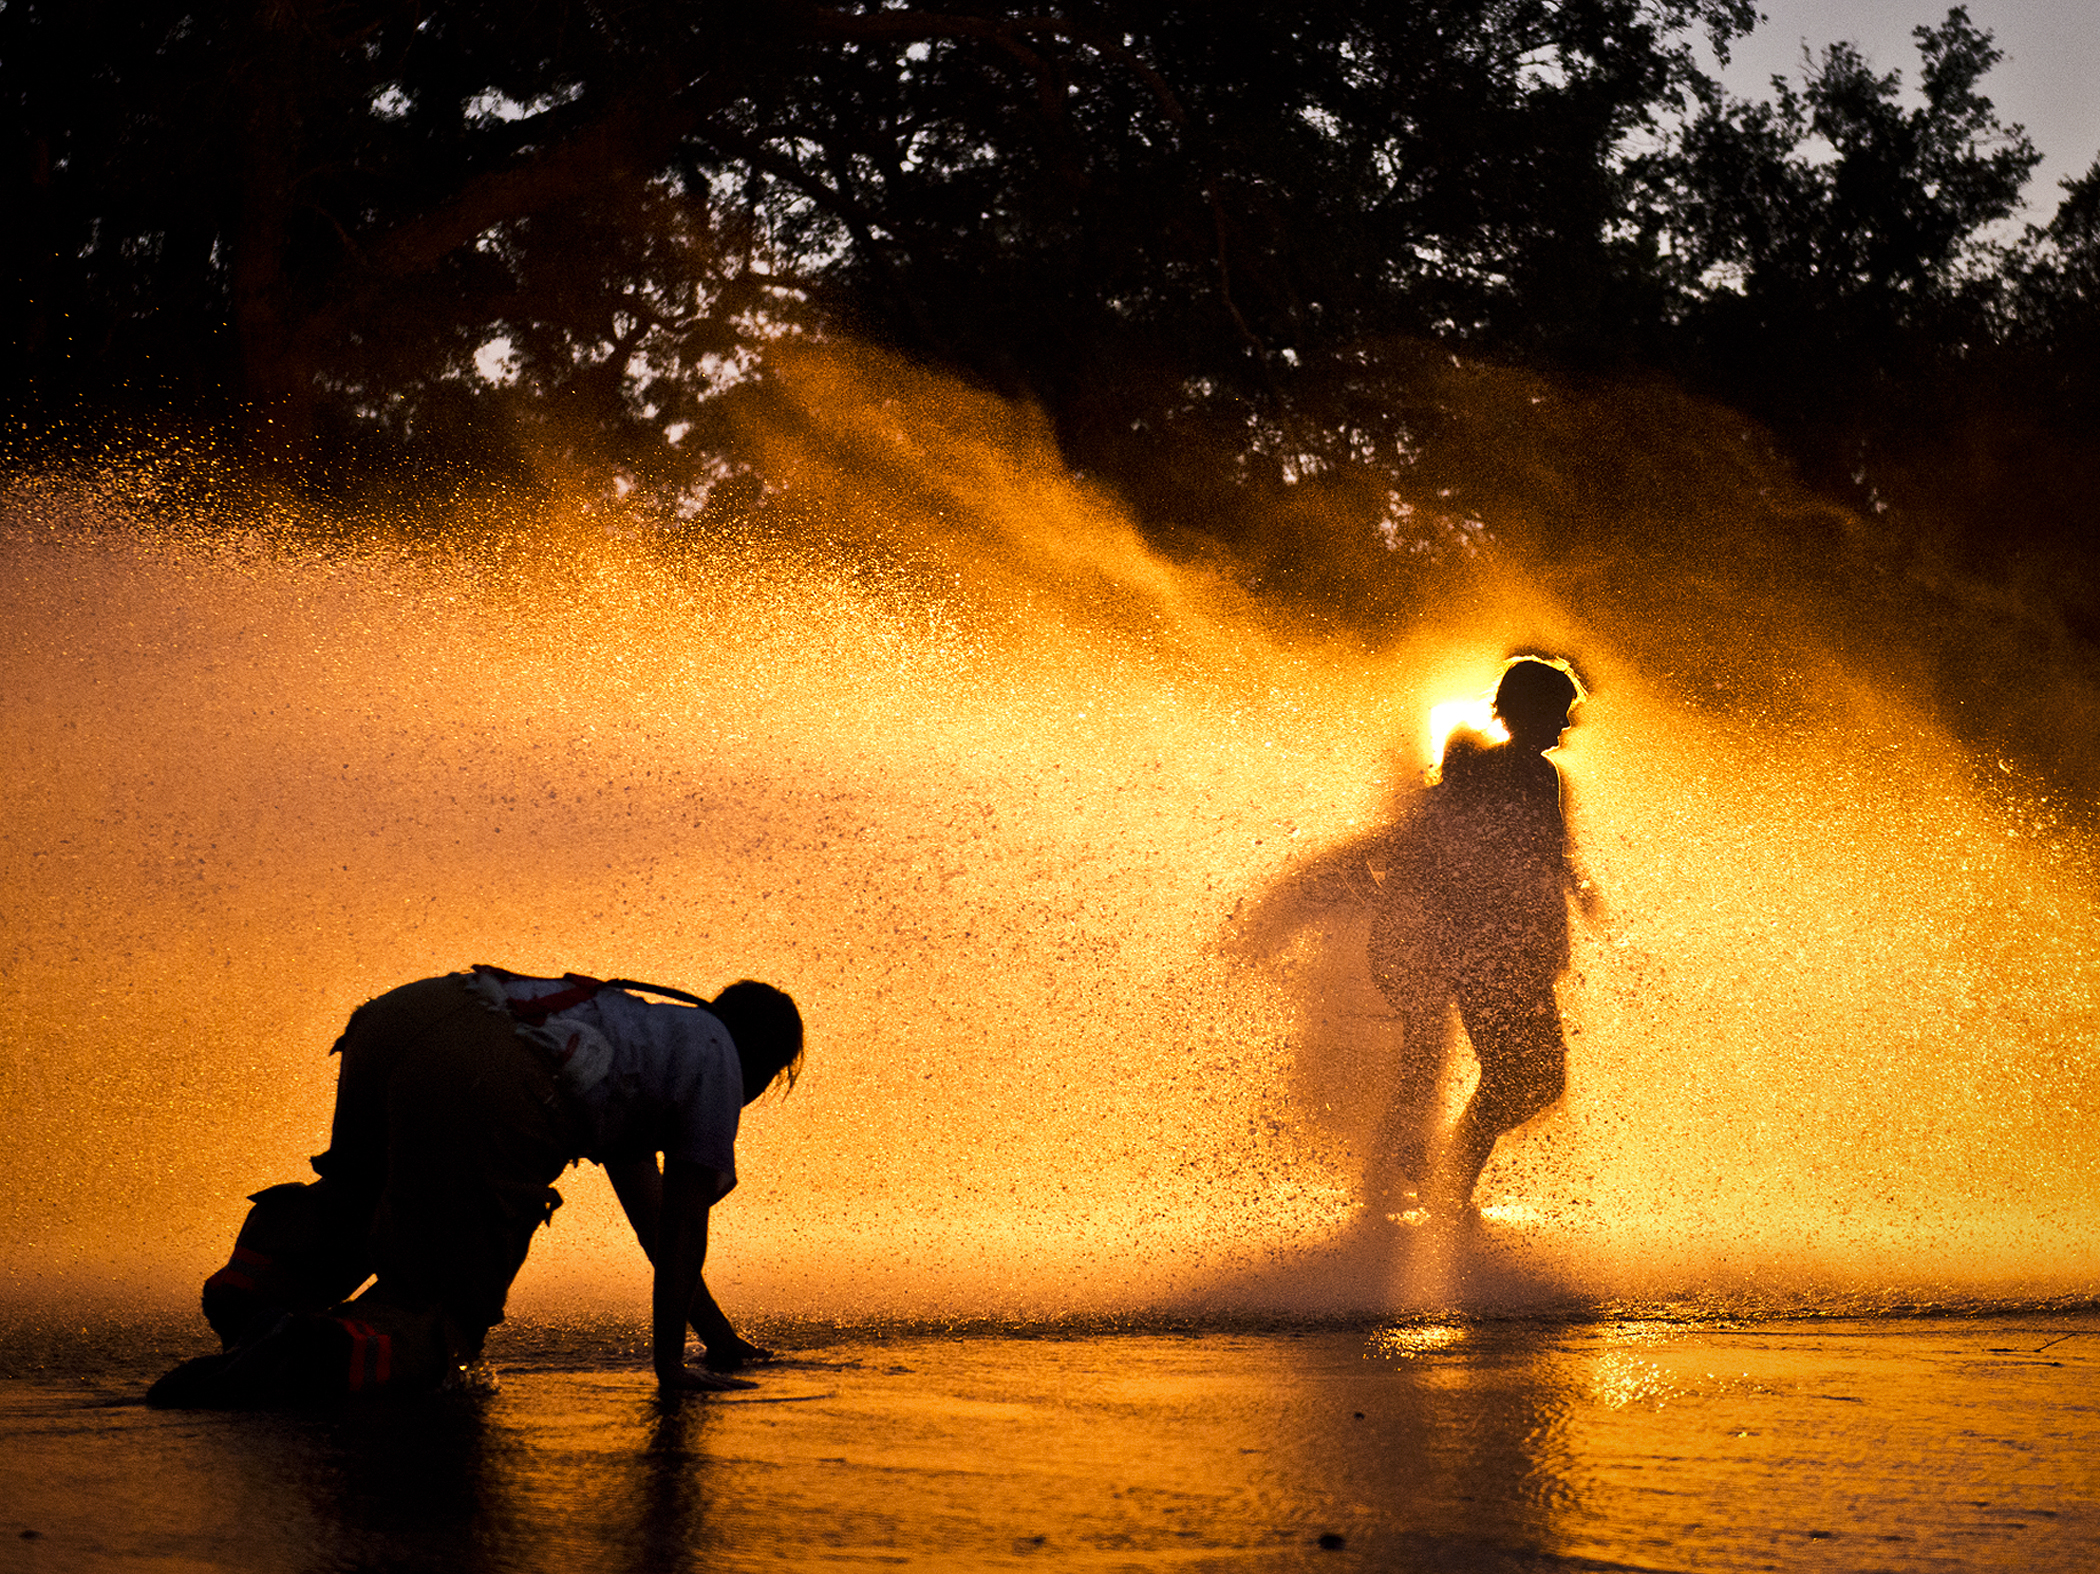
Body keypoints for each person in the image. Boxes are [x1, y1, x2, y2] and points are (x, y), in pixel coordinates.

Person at [148, 964, 803, 1407]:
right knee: (438, 1311)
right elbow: (686, 1226)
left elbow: (656, 1223)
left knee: (361, 1197)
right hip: (491, 1062)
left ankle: (260, 1277)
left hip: (413, 1014)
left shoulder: (643, 1035)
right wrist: (671, 1372)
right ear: (766, 1063)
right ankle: (306, 1352)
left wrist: (717, 1340)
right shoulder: (717, 1057)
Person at [1367, 656, 1599, 1218]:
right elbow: (1481, 863)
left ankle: (1441, 1179)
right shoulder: (1512, 776)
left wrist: (1573, 902)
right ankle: (1444, 1181)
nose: (1565, 727)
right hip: (1492, 952)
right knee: (1530, 1077)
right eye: (1559, 714)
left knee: (1527, 1076)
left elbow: (1544, 857)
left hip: (1503, 950)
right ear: (1527, 711)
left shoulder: (1525, 775)